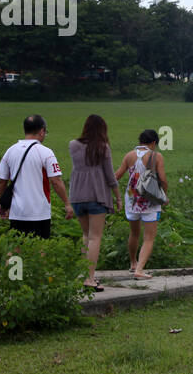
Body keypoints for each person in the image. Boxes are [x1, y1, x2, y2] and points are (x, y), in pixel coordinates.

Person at [0, 114, 73, 238]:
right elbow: (56, 181)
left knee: (16, 247)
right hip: (39, 212)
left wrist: (3, 203)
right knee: (40, 249)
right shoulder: (46, 152)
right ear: (42, 131)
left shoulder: (10, 151)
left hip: (17, 212)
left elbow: (2, 181)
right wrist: (67, 204)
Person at [69, 114, 121, 292]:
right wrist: (118, 197)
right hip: (97, 197)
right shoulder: (103, 148)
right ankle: (89, 278)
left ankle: (84, 274)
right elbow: (110, 176)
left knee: (85, 236)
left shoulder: (73, 145)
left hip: (76, 196)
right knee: (95, 237)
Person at [115, 129, 168, 280]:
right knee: (149, 237)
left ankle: (133, 263)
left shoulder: (129, 156)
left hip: (131, 198)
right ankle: (139, 270)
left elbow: (117, 176)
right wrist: (164, 195)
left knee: (134, 233)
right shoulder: (156, 156)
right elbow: (163, 179)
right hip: (149, 200)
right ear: (153, 143)